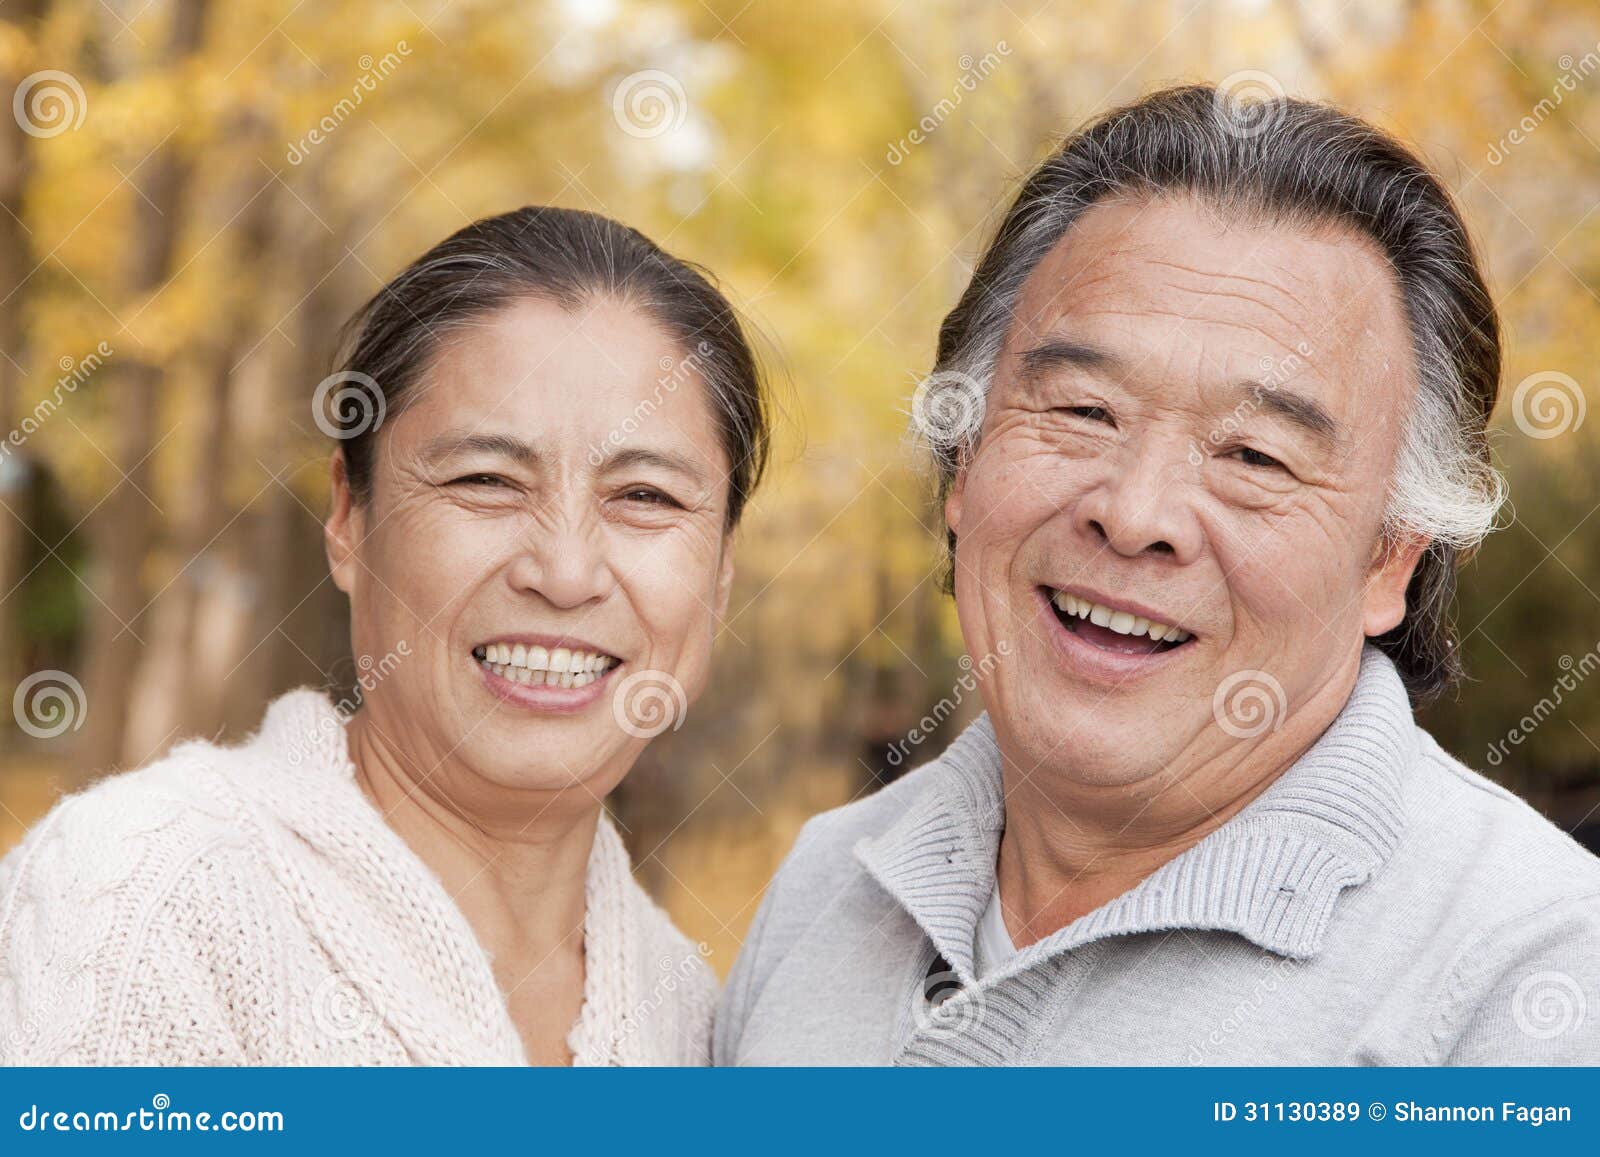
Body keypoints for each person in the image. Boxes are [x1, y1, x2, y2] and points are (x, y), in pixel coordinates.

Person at [715, 85, 1600, 1065]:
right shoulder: (827, 884)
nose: (1134, 514)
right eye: (1082, 410)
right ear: (964, 456)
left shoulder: (1533, 982)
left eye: (1254, 457)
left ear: (1392, 554)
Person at [0, 206, 769, 1066]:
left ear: (721, 570)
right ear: (347, 518)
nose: (563, 571)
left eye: (646, 497)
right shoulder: (136, 904)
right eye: (486, 479)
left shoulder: (702, 1025)